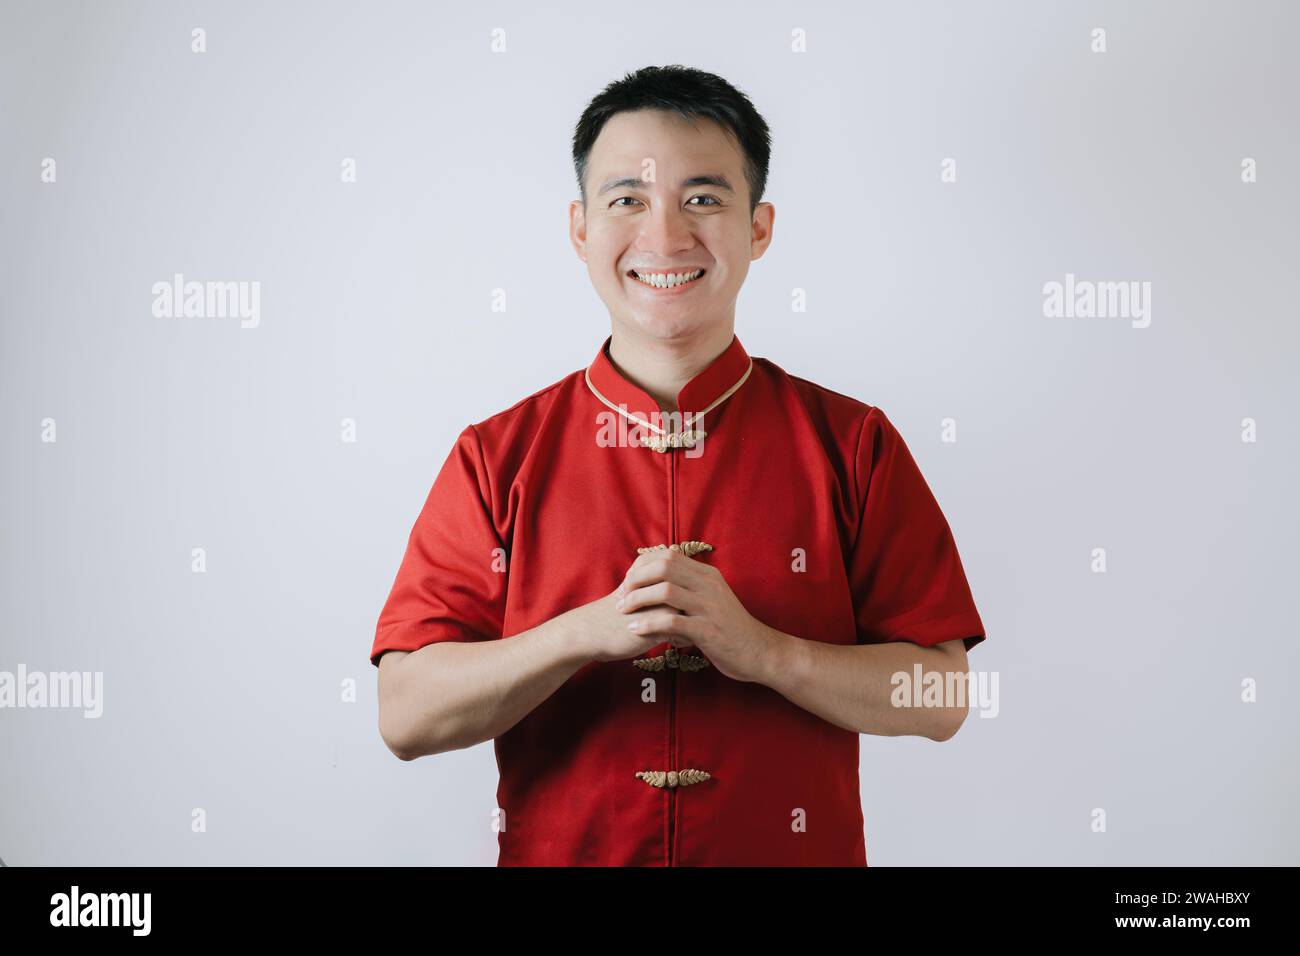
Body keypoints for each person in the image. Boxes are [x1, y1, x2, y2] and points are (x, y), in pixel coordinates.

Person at [371, 64, 986, 866]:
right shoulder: (497, 455)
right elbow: (404, 715)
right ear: (580, 228)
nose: (664, 238)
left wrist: (767, 653)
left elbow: (942, 697)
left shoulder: (853, 443)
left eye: (703, 198)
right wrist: (579, 635)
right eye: (627, 199)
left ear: (759, 228)